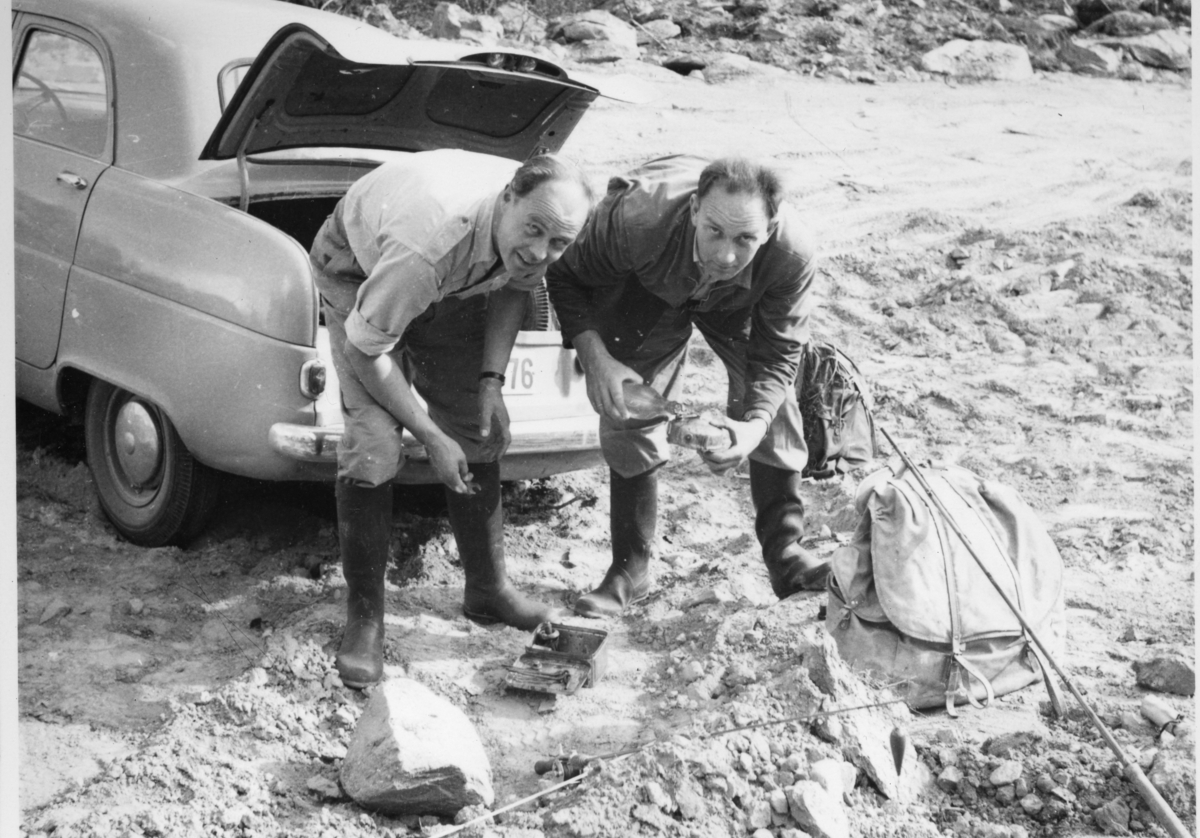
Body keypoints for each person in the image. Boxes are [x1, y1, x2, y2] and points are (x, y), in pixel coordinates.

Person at [309, 149, 594, 687]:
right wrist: (430, 435)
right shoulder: (429, 246)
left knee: (482, 425)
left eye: (559, 243)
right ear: (507, 199)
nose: (541, 252)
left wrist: (490, 381)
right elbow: (366, 349)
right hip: (360, 265)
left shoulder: (530, 231)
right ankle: (365, 618)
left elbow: (516, 284)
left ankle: (487, 589)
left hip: (452, 276)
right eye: (534, 230)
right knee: (375, 444)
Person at [545, 154, 828, 617]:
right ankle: (629, 568)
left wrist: (754, 427)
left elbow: (778, 354)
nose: (725, 255)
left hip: (736, 304)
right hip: (646, 285)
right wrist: (596, 360)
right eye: (714, 230)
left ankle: (786, 554)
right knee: (627, 404)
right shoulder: (637, 218)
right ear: (695, 209)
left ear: (771, 227)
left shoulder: (791, 254)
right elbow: (565, 275)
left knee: (772, 399)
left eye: (745, 238)